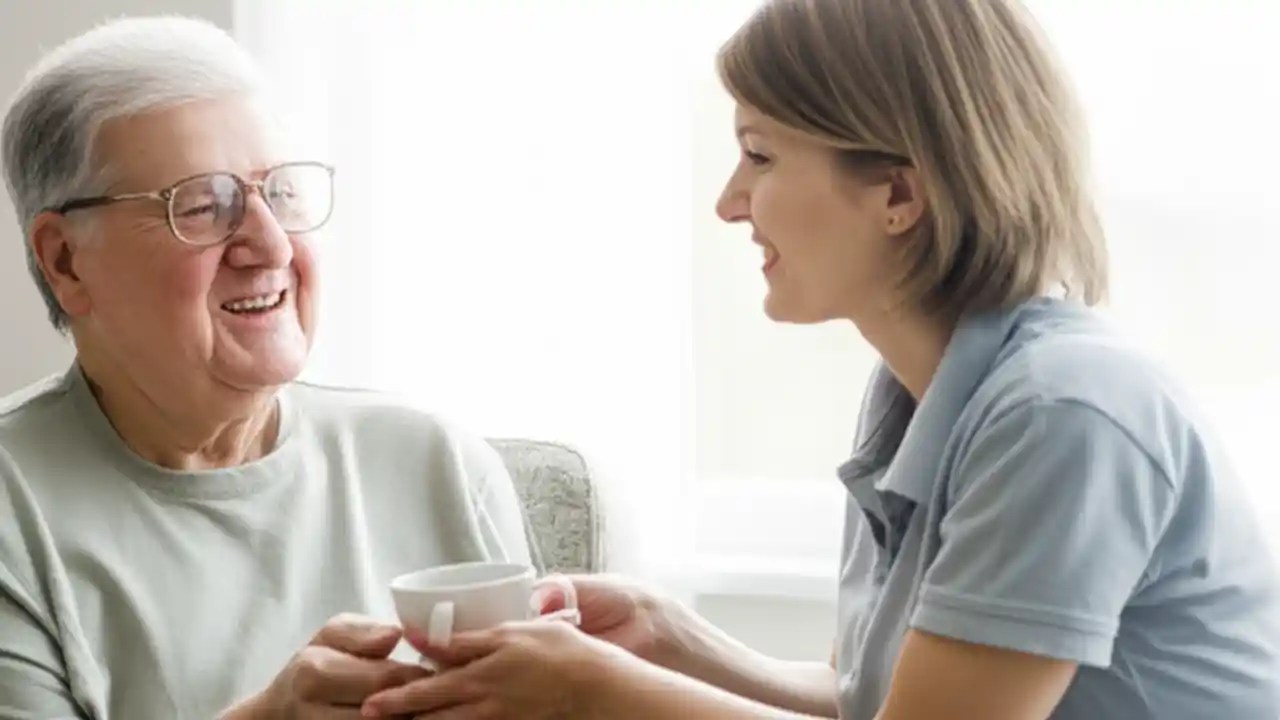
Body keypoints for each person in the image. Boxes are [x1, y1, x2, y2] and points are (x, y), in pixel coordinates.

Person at [355, 0, 1280, 718]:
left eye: (760, 155)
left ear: (899, 194)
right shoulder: (920, 395)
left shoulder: (1065, 414)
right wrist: (672, 640)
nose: (728, 202)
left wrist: (594, 693)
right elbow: (873, 705)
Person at [0, 17, 533, 719]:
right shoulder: (16, 512)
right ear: (65, 260)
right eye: (204, 205)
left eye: (280, 193)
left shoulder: (437, 464)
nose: (272, 244)